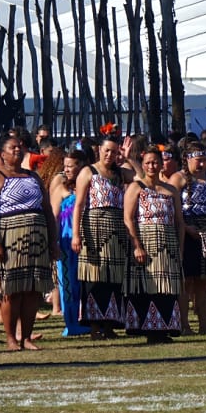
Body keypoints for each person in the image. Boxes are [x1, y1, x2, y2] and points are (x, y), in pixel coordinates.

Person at [0, 135, 58, 351]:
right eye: (11, 148)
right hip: (10, 237)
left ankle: (26, 337)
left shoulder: (33, 177)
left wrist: (53, 241)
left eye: (19, 147)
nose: (17, 150)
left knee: (33, 290)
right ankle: (11, 338)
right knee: (12, 290)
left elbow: (47, 210)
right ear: (2, 154)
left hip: (37, 237)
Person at [71, 137, 133, 340]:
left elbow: (141, 178)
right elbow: (79, 205)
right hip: (94, 226)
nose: (110, 155)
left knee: (113, 278)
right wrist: (76, 234)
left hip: (116, 229)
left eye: (114, 152)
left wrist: (129, 158)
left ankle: (110, 324)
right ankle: (94, 325)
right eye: (107, 151)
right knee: (94, 277)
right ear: (99, 150)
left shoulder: (120, 173)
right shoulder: (88, 171)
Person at [123, 148, 185, 343]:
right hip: (146, 240)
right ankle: (150, 330)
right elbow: (128, 218)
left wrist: (180, 248)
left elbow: (179, 222)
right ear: (143, 164)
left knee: (166, 286)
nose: (152, 166)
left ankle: (164, 328)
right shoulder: (136, 187)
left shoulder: (171, 190)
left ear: (161, 164)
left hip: (168, 243)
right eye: (148, 162)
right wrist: (137, 245)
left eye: (155, 162)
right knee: (148, 285)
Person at [168, 141, 206, 335]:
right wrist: (187, 229)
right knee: (185, 281)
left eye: (204, 160)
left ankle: (205, 324)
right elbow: (172, 207)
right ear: (188, 160)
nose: (201, 164)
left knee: (203, 282)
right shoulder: (178, 178)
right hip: (185, 230)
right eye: (198, 160)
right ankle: (184, 324)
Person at [50, 149, 91, 337]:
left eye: (70, 166)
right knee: (68, 283)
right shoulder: (61, 189)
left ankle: (89, 319)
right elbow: (54, 217)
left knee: (86, 283)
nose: (66, 170)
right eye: (64, 166)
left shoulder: (90, 186)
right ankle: (72, 323)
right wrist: (54, 242)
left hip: (88, 240)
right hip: (66, 243)